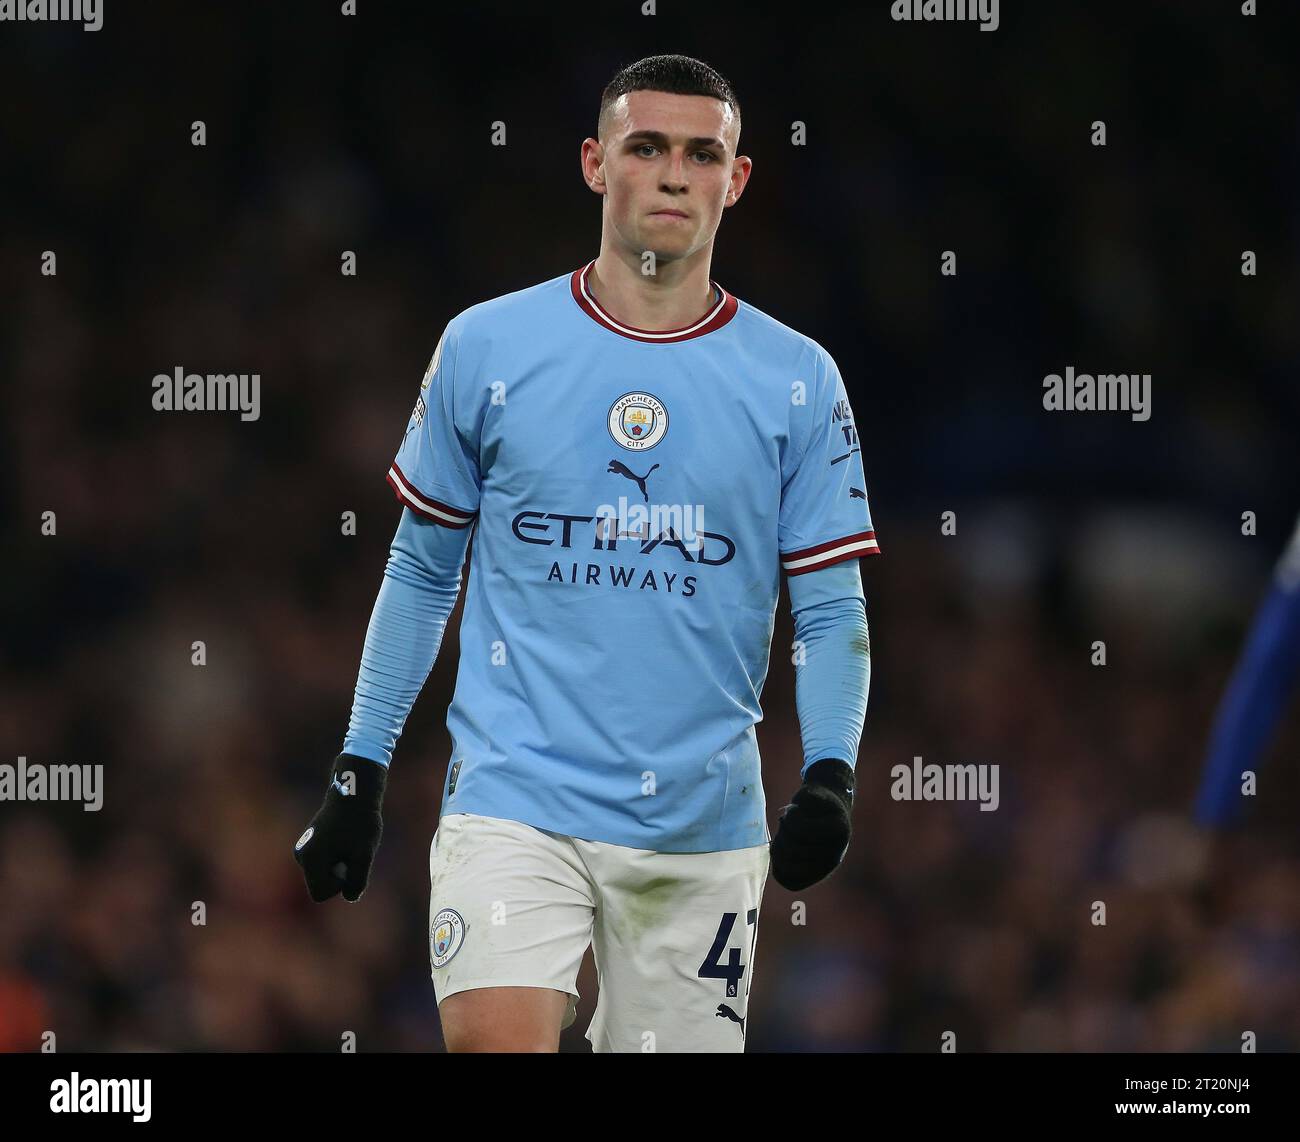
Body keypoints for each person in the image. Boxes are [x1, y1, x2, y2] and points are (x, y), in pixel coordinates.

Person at [294, 53, 880, 1053]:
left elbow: (828, 609)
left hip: (704, 822)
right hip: (516, 798)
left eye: (702, 154)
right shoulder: (487, 347)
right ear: (594, 164)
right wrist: (361, 764)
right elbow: (423, 568)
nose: (671, 174)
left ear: (735, 181)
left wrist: (829, 771)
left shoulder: (796, 379)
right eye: (644, 146)